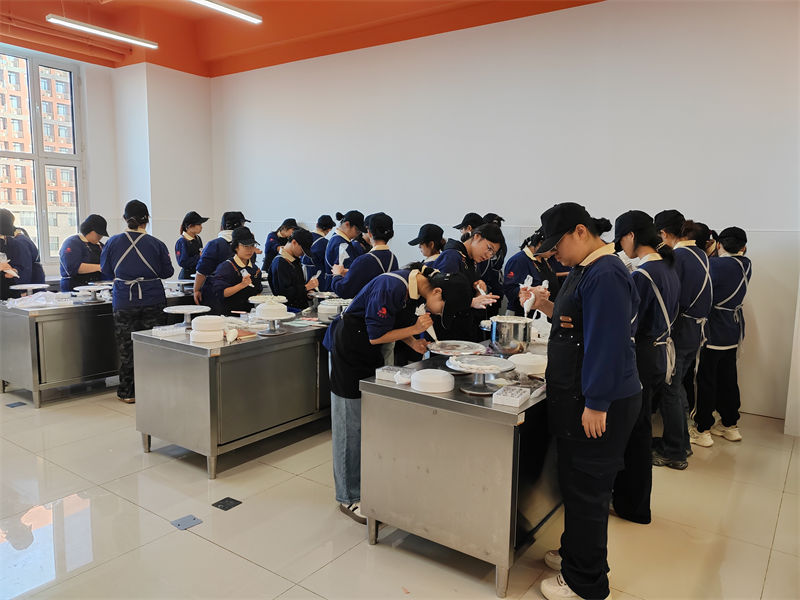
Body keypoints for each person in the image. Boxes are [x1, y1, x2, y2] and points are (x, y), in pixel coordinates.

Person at [521, 203, 641, 600]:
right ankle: (575, 553)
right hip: (581, 395)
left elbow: (607, 344)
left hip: (598, 401)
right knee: (575, 484)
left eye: (557, 246)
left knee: (588, 488)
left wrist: (597, 403)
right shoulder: (586, 268)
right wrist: (542, 304)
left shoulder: (606, 274)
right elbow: (576, 323)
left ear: (580, 231)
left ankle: (585, 582)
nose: (555, 255)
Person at [323, 266, 473, 524]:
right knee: (349, 425)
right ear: (437, 292)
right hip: (349, 350)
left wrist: (413, 341)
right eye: (442, 308)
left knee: (366, 423)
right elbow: (375, 335)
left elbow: (391, 324)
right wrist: (414, 327)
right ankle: (348, 497)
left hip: (369, 352)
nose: (438, 313)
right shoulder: (391, 286)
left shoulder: (415, 289)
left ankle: (366, 484)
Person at [611, 210, 680, 525]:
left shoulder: (642, 274)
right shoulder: (667, 266)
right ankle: (635, 503)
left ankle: (632, 505)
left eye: (620, 239)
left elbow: (628, 324)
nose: (620, 246)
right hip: (659, 354)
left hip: (641, 355)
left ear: (630, 236)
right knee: (640, 430)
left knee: (634, 435)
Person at [653, 211, 713, 462]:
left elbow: (673, 299)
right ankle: (682, 442)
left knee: (670, 391)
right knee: (676, 388)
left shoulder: (678, 257)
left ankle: (675, 451)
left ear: (663, 233)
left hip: (680, 331)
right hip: (695, 332)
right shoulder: (700, 253)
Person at [100, 200, 173, 404]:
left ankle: (128, 392)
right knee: (153, 345)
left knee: (127, 348)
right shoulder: (157, 244)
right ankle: (154, 390)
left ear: (125, 218)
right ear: (147, 219)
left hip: (124, 300)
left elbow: (106, 271)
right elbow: (167, 272)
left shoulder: (112, 242)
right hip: (153, 299)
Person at [692, 227, 752, 445]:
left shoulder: (714, 265)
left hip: (712, 331)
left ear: (719, 245)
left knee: (706, 381)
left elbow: (703, 286)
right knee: (728, 379)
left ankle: (703, 429)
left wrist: (708, 253)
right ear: (743, 247)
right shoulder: (746, 264)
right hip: (733, 331)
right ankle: (730, 424)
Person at [431, 223, 502, 340]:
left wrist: (479, 291)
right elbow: (439, 298)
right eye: (489, 248)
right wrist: (472, 302)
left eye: (492, 254)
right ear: (477, 236)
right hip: (447, 332)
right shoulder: (452, 256)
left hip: (464, 329)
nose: (488, 255)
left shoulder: (472, 260)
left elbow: (466, 294)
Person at [331, 212, 399, 299]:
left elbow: (343, 290)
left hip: (367, 307)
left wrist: (337, 275)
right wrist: (350, 272)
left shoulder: (364, 260)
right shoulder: (393, 258)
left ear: (369, 233)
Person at [194, 211, 249, 312]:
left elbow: (201, 271)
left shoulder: (214, 244)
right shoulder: (248, 246)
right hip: (241, 295)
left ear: (222, 226)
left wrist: (196, 290)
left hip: (216, 296)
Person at [502, 229, 560, 316]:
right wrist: (529, 292)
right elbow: (509, 289)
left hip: (543, 314)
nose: (555, 253)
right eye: (552, 249)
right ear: (540, 244)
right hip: (521, 315)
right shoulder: (518, 260)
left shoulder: (543, 260)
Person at [213, 227, 264, 315]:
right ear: (236, 247)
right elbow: (221, 293)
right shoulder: (226, 267)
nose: (250, 250)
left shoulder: (255, 269)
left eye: (252, 246)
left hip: (249, 315)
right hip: (230, 316)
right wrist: (242, 285)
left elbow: (257, 291)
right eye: (245, 246)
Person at [269, 228, 319, 310]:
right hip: (288, 310)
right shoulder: (280, 262)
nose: (303, 254)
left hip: (299, 308)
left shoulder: (294, 260)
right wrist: (306, 287)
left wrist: (308, 293)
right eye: (302, 250)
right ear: (294, 242)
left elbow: (297, 286)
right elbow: (283, 294)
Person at [58, 214, 109, 291]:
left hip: (96, 287)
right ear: (89, 230)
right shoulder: (72, 243)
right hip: (74, 287)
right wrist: (100, 267)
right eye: (98, 234)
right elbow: (72, 268)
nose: (100, 236)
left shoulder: (100, 246)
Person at [324, 210, 365, 289]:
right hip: (337, 287)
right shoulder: (341, 244)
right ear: (347, 224)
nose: (358, 234)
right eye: (357, 230)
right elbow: (345, 271)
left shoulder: (339, 239)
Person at [480, 213, 507, 317]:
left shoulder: (486, 245)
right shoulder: (502, 244)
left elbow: (484, 272)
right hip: (496, 289)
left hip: (488, 291)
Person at [301, 214, 335, 285]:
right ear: (329, 229)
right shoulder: (325, 243)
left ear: (316, 224)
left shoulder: (304, 236)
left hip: (300, 271)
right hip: (316, 274)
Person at [175, 211, 209, 279]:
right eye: (199, 224)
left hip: (198, 275)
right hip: (187, 278)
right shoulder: (181, 242)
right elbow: (182, 262)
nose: (201, 227)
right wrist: (199, 256)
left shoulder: (198, 238)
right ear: (190, 226)